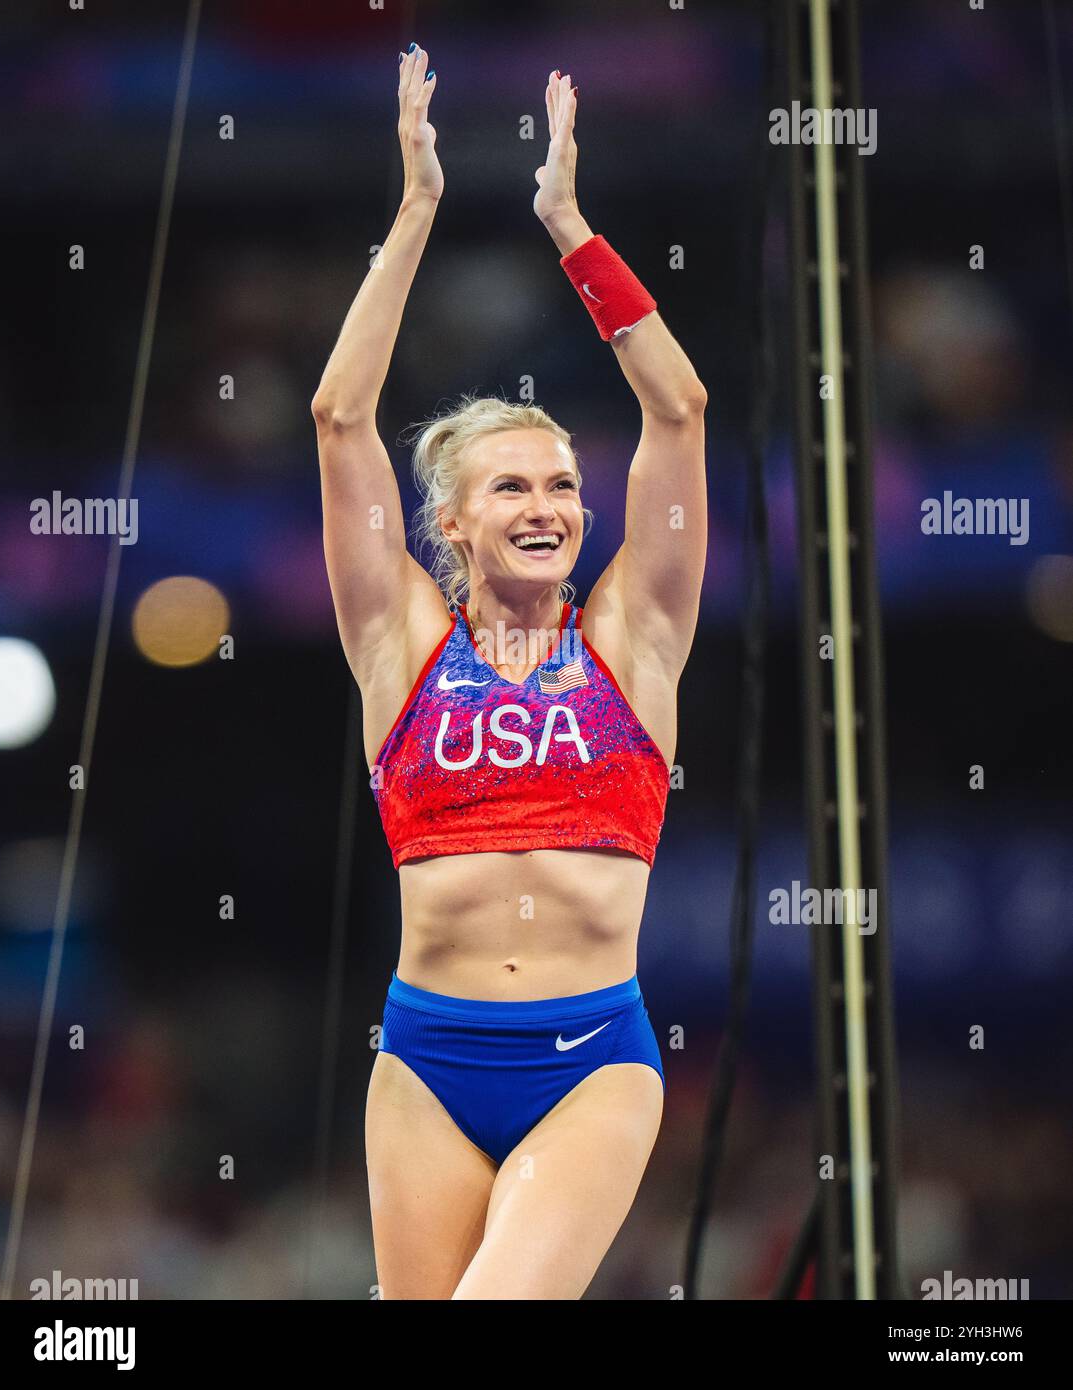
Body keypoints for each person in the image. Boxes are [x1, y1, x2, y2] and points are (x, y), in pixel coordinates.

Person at [311, 44, 707, 1299]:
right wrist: (416, 212)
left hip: (590, 1060)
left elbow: (679, 412)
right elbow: (338, 417)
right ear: (452, 524)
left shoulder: (635, 637)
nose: (547, 506)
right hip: (424, 1063)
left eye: (564, 485)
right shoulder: (401, 645)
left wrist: (569, 229)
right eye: (512, 488)